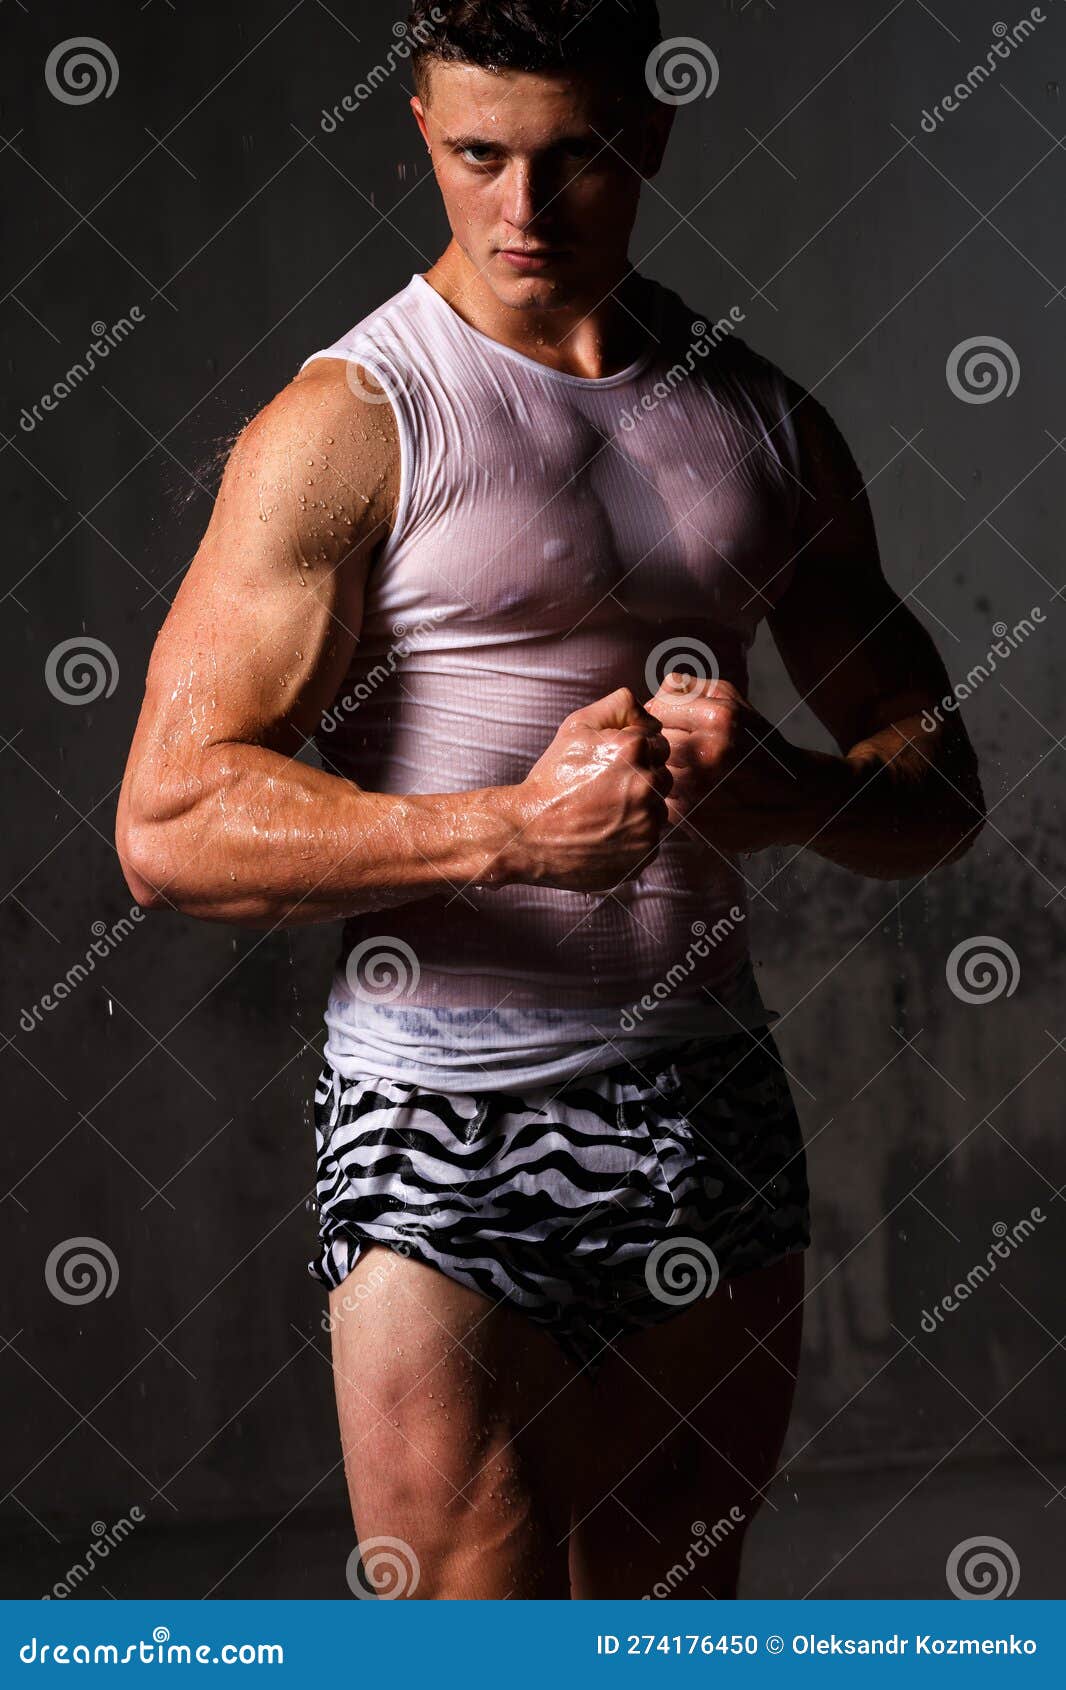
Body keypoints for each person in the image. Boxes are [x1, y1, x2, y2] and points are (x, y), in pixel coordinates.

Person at [115, 0, 985, 1600]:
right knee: (471, 1613)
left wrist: (783, 788)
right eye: (477, 156)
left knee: (666, 1612)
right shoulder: (347, 425)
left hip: (703, 1079)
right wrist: (512, 828)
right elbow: (168, 824)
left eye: (572, 158)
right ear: (425, 137)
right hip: (441, 1105)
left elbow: (938, 791)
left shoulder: (759, 422)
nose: (522, 209)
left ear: (647, 135)